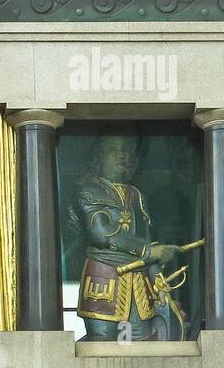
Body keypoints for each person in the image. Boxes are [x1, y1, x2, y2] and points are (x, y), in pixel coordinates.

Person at [72, 134, 181, 342]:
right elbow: (101, 233)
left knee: (135, 342)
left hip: (138, 287)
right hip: (104, 279)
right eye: (114, 150)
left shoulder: (137, 196)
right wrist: (147, 251)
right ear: (100, 157)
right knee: (102, 341)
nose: (121, 156)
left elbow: (147, 241)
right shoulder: (89, 189)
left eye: (126, 151)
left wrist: (158, 280)